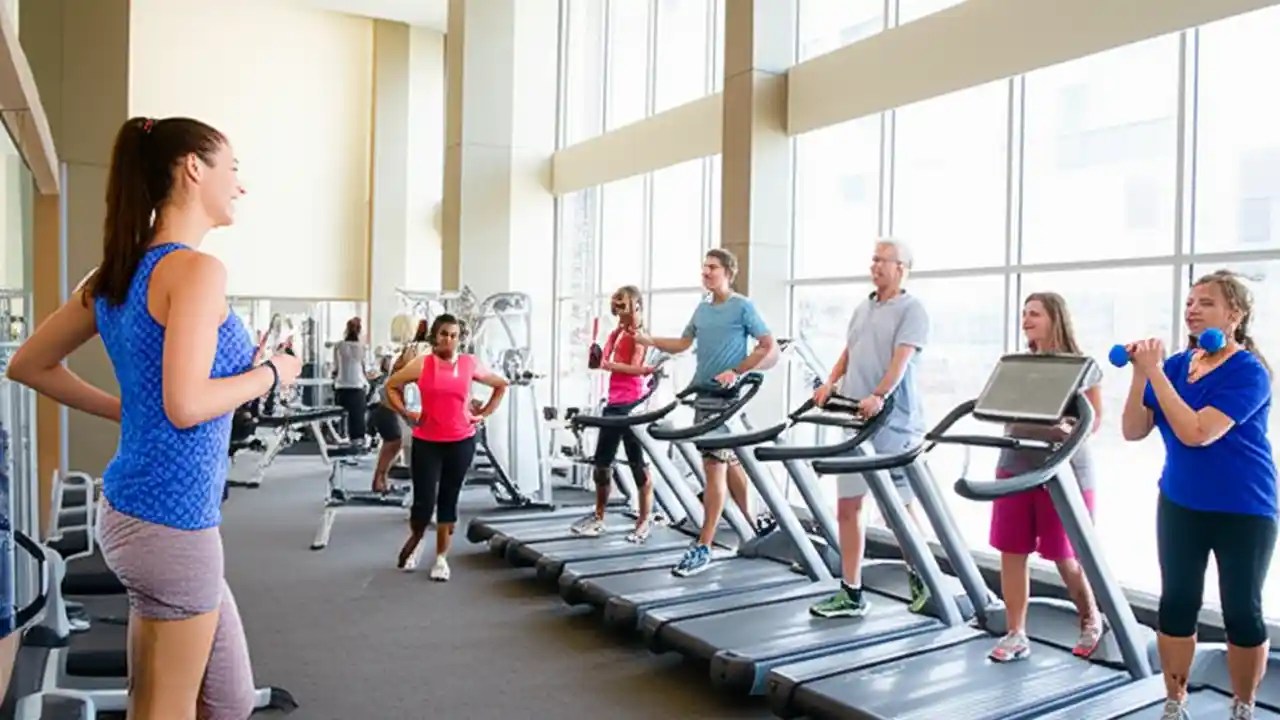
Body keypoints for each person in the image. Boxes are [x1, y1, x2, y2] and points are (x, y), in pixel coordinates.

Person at [7, 116, 302, 720]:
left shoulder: (117, 273)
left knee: (228, 700)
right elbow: (186, 405)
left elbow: (28, 364)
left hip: (138, 510)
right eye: (232, 169)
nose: (240, 185)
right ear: (193, 167)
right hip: (171, 522)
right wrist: (275, 372)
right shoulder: (195, 270)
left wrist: (128, 410)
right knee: (164, 709)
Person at [1121, 270, 1276, 720]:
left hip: (1244, 508)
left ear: (1235, 314)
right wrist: (1141, 374)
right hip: (1180, 502)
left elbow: (1197, 433)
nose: (1192, 309)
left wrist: (1155, 372)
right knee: (1176, 603)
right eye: (1190, 301)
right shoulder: (1174, 367)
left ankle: (1243, 706)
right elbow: (1133, 429)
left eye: (1206, 302)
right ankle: (1175, 701)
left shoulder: (1250, 372)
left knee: (1241, 611)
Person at [809, 238, 933, 618]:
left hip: (894, 422)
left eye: (883, 260)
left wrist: (879, 395)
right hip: (854, 419)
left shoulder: (912, 310)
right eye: (874, 259)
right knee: (848, 507)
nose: (875, 266)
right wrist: (831, 383)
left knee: (897, 510)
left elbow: (901, 360)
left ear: (901, 268)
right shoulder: (863, 307)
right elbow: (850, 351)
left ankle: (923, 577)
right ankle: (851, 591)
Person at [634, 248, 777, 577]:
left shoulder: (742, 306)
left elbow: (767, 344)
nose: (706, 272)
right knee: (727, 460)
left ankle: (704, 545)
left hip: (726, 398)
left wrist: (738, 371)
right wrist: (650, 339)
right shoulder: (702, 308)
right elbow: (684, 344)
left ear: (728, 271)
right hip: (703, 394)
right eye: (704, 268)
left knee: (714, 467)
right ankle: (753, 526)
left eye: (712, 267)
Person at [987, 292, 1103, 662]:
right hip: (1015, 465)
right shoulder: (1017, 365)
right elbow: (998, 405)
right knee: (1012, 550)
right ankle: (1016, 633)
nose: (1026, 320)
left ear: (1056, 318)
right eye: (1024, 313)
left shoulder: (1083, 366)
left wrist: (1066, 427)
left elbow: (1094, 420)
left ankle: (1091, 618)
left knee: (1065, 555)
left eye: (1034, 313)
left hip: (1064, 471)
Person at [385, 313, 508, 580]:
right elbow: (392, 385)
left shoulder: (469, 363)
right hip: (427, 442)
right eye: (444, 334)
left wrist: (483, 414)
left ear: (459, 339)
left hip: (461, 441)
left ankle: (441, 559)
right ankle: (416, 537)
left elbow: (500, 385)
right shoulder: (423, 363)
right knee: (424, 501)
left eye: (454, 335)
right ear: (435, 336)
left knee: (448, 500)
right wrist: (406, 412)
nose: (449, 340)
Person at [569, 286, 657, 543]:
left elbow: (637, 368)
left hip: (633, 404)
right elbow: (603, 361)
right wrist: (597, 359)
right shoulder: (616, 332)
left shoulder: (640, 335)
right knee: (602, 464)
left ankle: (644, 520)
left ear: (636, 305)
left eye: (622, 303)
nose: (617, 308)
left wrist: (606, 364)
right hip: (613, 403)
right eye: (615, 304)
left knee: (637, 465)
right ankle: (598, 518)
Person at [333, 316, 372, 444]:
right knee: (357, 420)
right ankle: (357, 442)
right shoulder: (363, 348)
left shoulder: (339, 346)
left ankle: (340, 437)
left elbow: (336, 368)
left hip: (341, 387)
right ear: (360, 331)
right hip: (357, 387)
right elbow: (365, 369)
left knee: (341, 417)